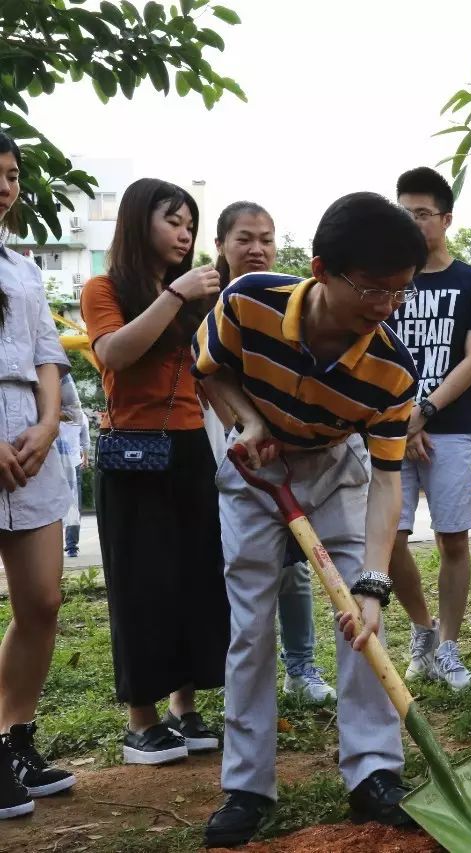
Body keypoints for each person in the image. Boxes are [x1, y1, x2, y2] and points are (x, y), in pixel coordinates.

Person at [194, 192, 425, 847]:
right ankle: (246, 785)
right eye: (373, 291)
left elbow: (386, 479)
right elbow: (208, 367)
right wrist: (249, 419)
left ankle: (374, 774)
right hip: (254, 469)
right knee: (251, 625)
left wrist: (375, 583)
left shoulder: (391, 371)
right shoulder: (249, 302)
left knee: (362, 620)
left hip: (335, 467)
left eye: (399, 294)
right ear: (322, 269)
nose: (385, 308)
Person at [80, 178, 227, 767]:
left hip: (190, 446)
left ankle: (183, 707)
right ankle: (140, 721)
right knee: (141, 583)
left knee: (194, 575)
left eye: (190, 222)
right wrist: (174, 296)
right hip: (132, 452)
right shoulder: (104, 288)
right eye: (173, 220)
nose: (185, 232)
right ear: (140, 222)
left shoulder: (197, 297)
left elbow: (212, 370)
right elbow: (113, 352)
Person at [208, 201, 336, 706]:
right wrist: (245, 427)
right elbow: (210, 377)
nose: (257, 248)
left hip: (288, 455)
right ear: (221, 245)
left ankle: (300, 668)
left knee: (295, 565)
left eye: (266, 237)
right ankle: (246, 686)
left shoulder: (289, 301)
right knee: (248, 573)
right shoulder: (212, 302)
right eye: (244, 238)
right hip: (236, 454)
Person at [389, 167, 471, 691]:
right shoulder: (385, 281)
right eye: (402, 213)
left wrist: (423, 413)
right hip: (389, 429)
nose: (411, 223)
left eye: (421, 214)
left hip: (450, 429)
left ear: (446, 219)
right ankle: (423, 632)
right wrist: (401, 421)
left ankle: (449, 647)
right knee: (388, 538)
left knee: (452, 538)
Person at [0, 131, 79, 819]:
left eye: (11, 173)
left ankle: (13, 735)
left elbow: (50, 351)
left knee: (43, 600)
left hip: (30, 432)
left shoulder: (22, 266)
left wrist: (51, 422)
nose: (4, 184)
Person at [56, 374, 89, 558]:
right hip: (52, 460)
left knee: (73, 506)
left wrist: (85, 456)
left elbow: (85, 439)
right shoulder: (41, 413)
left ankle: (71, 546)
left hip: (73, 463)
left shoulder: (79, 416)